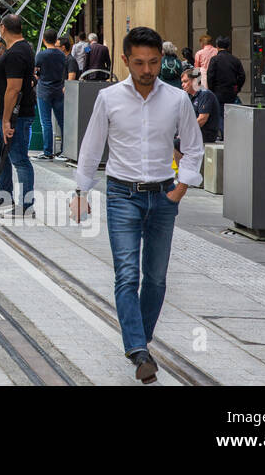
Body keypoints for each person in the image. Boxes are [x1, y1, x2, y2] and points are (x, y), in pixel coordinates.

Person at [70, 26, 204, 384]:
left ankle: (138, 342)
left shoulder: (177, 99)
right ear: (126, 61)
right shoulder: (109, 98)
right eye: (140, 63)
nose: (147, 70)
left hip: (163, 197)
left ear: (163, 60)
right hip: (121, 195)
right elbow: (92, 145)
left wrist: (180, 189)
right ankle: (139, 351)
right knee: (127, 275)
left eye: (154, 62)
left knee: (156, 279)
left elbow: (194, 146)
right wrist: (81, 191)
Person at [0, 14, 37, 216]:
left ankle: (26, 206)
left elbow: (13, 89)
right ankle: (5, 196)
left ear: (3, 28)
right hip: (3, 117)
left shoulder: (16, 53)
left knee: (19, 159)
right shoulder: (21, 49)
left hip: (15, 117)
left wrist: (6, 120)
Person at [34, 29, 66, 160]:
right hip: (58, 90)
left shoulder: (41, 55)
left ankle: (48, 151)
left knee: (46, 122)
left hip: (44, 91)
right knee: (62, 121)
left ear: (44, 40)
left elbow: (35, 71)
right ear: (56, 39)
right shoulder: (61, 55)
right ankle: (65, 150)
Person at [205, 36, 245, 140]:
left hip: (218, 91)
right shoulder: (235, 60)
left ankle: (224, 134)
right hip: (231, 91)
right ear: (228, 47)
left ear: (217, 46)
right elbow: (242, 76)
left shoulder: (215, 60)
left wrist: (212, 89)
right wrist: (237, 88)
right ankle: (231, 134)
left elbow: (210, 76)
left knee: (219, 114)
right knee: (230, 113)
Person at [180, 68, 220, 145]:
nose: (182, 85)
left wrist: (184, 132)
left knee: (174, 143)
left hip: (205, 134)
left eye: (185, 81)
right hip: (194, 132)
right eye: (182, 82)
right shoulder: (188, 96)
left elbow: (202, 119)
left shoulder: (205, 94)